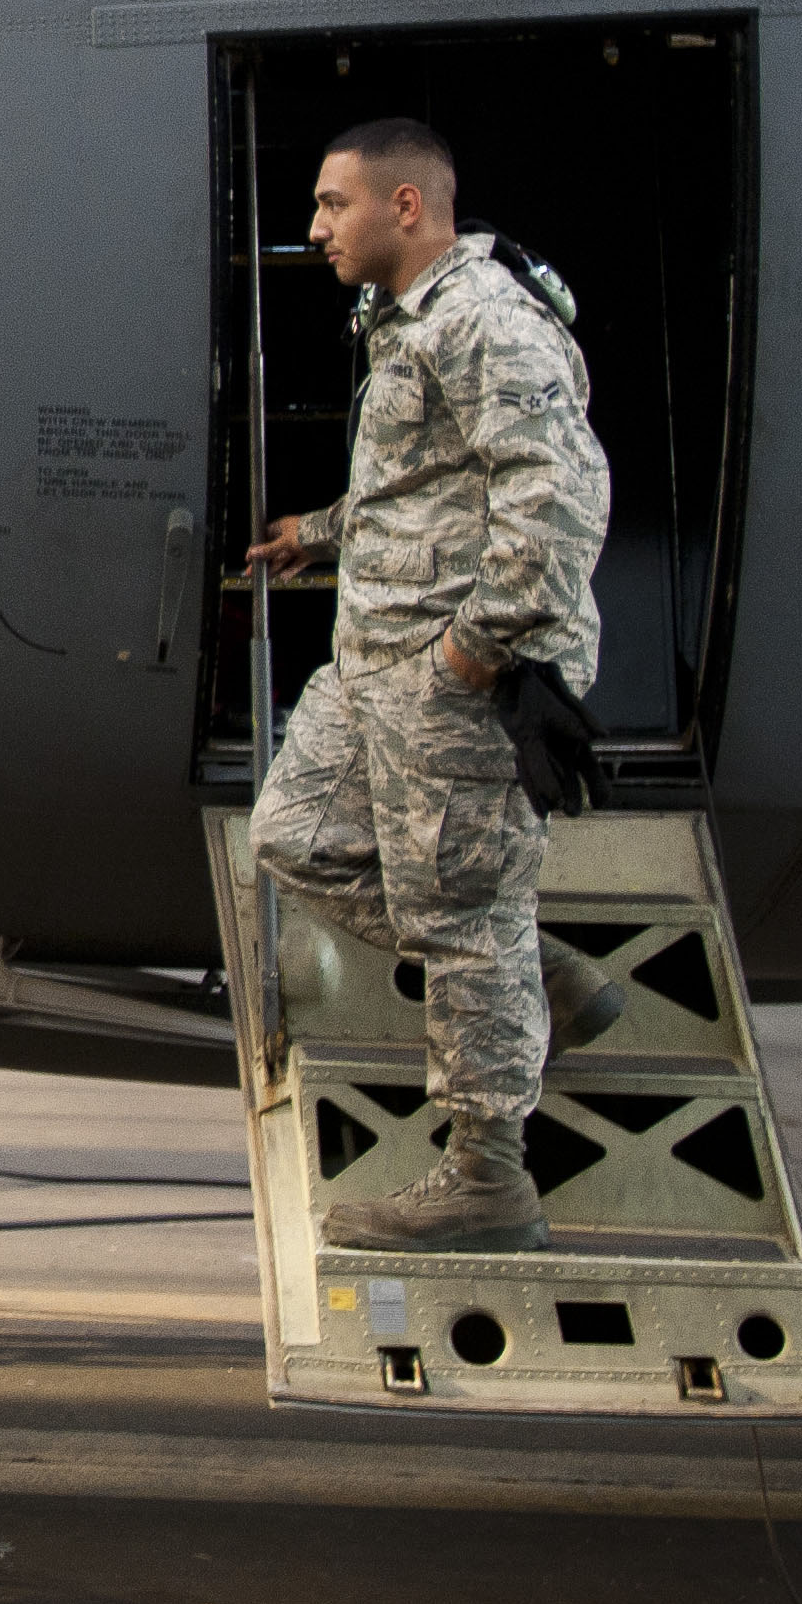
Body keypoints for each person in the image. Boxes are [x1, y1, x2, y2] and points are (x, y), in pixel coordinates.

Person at [241, 121, 618, 1253]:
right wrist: (319, 532)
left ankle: (486, 1176)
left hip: (449, 682)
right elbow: (422, 486)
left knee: (462, 918)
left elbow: (556, 494)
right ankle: (537, 969)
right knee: (292, 833)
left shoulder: (486, 320)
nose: (314, 229)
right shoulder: (408, 323)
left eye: (330, 204)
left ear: (407, 206)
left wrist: (479, 648)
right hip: (372, 664)